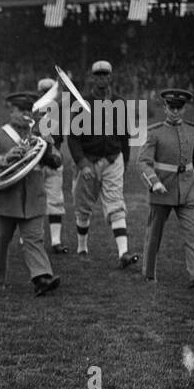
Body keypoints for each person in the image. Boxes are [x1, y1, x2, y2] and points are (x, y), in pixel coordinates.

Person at [0, 93, 62, 295]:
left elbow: (57, 161)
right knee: (1, 240)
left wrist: (48, 150)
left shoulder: (40, 134)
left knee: (34, 239)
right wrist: (5, 158)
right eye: (20, 110)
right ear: (11, 111)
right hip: (5, 197)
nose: (25, 114)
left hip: (33, 196)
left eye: (28, 111)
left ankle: (42, 277)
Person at [138, 89, 194, 290]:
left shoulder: (193, 131)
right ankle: (149, 273)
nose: (175, 111)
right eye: (171, 107)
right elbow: (143, 162)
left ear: (184, 109)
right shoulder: (154, 132)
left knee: (193, 233)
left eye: (179, 108)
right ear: (165, 108)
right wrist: (154, 182)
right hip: (162, 191)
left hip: (188, 190)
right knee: (154, 234)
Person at [70, 59, 138, 267]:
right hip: (89, 160)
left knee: (116, 204)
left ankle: (123, 253)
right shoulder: (81, 102)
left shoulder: (120, 102)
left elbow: (125, 136)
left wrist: (124, 161)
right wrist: (82, 163)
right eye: (98, 75)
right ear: (92, 78)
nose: (102, 79)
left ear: (111, 77)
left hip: (112, 159)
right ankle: (82, 246)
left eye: (105, 75)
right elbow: (72, 138)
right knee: (83, 206)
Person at [35, 77, 69, 254]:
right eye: (45, 92)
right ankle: (32, 237)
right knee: (34, 201)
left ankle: (56, 241)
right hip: (36, 162)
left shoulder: (59, 112)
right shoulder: (34, 111)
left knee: (55, 201)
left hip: (53, 161)